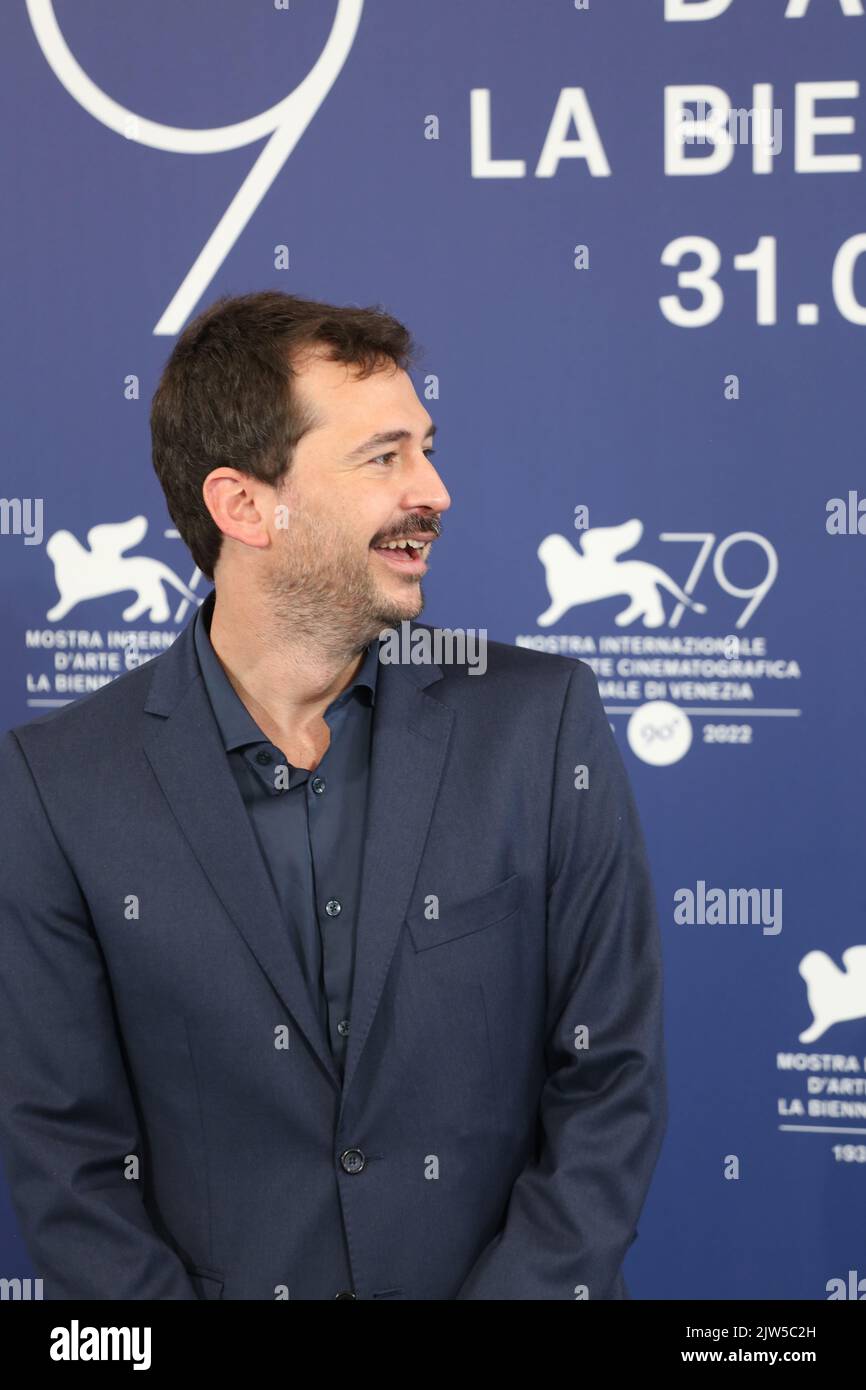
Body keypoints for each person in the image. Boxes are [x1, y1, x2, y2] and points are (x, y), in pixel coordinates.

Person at [0, 290, 666, 1300]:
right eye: (383, 456)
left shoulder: (538, 724)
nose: (434, 489)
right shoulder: (57, 784)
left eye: (427, 448)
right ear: (243, 505)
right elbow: (70, 1160)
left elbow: (609, 1079)